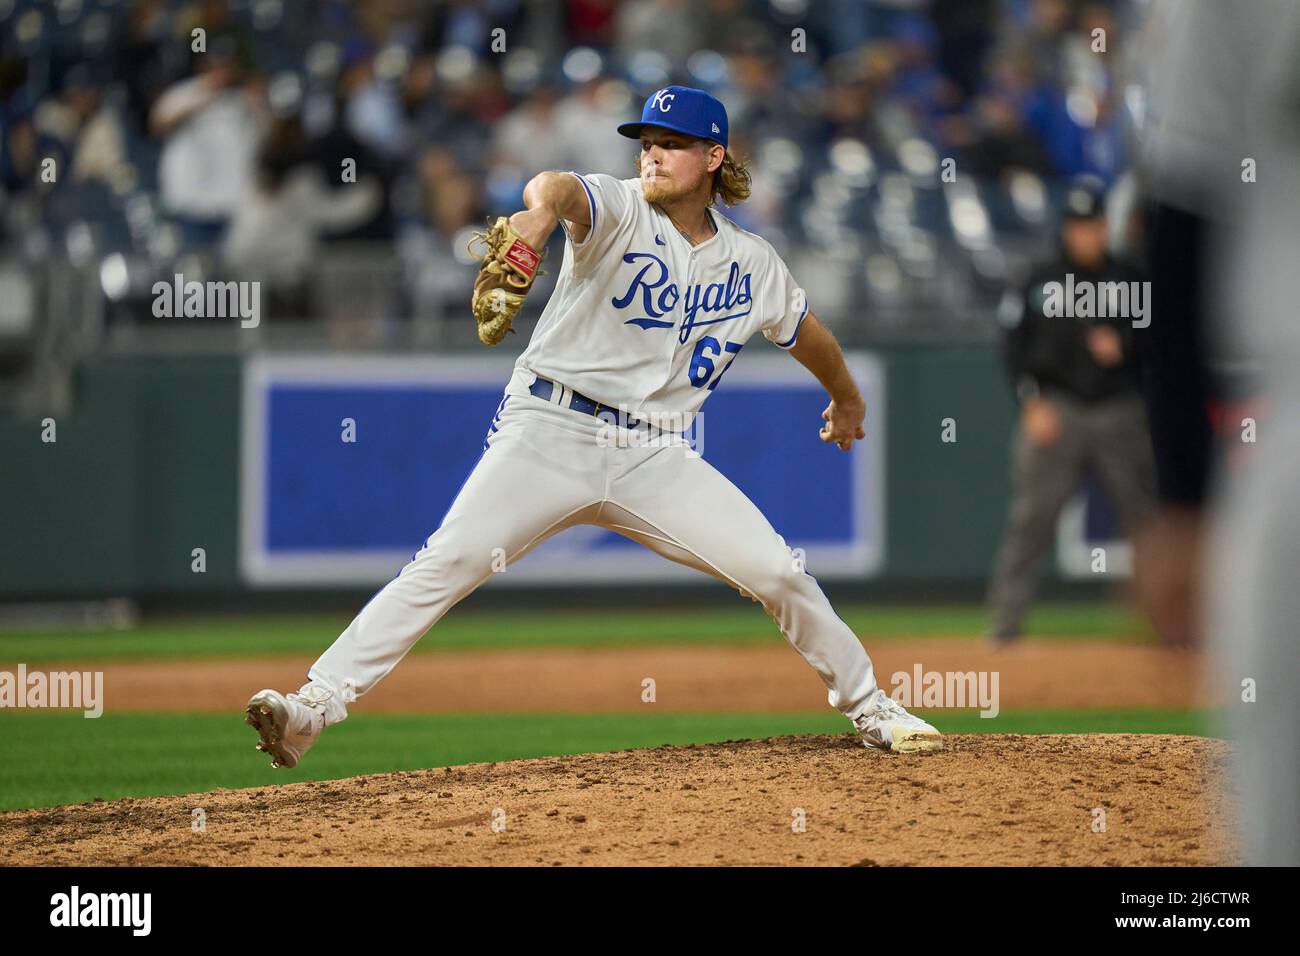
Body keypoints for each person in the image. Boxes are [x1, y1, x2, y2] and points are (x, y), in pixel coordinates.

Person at [245, 86, 942, 767]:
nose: (652, 155)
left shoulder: (752, 262)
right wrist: (538, 219)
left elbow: (806, 331)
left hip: (653, 455)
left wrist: (847, 400)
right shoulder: (620, 207)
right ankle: (313, 706)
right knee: (447, 561)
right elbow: (556, 187)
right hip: (549, 428)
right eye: (646, 143)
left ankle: (871, 705)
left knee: (779, 572)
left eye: (672, 144)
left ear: (713, 158)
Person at [985, 177, 1156, 644]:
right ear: (1065, 229)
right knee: (1031, 521)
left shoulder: (1130, 277)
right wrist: (1030, 401)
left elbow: (1163, 343)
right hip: (1056, 409)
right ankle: (1004, 627)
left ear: (1104, 227)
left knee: (1145, 519)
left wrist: (1125, 345)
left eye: (1091, 225)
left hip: (1118, 410)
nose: (1083, 234)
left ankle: (1166, 623)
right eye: (1076, 225)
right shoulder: (1039, 278)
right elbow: (1011, 345)